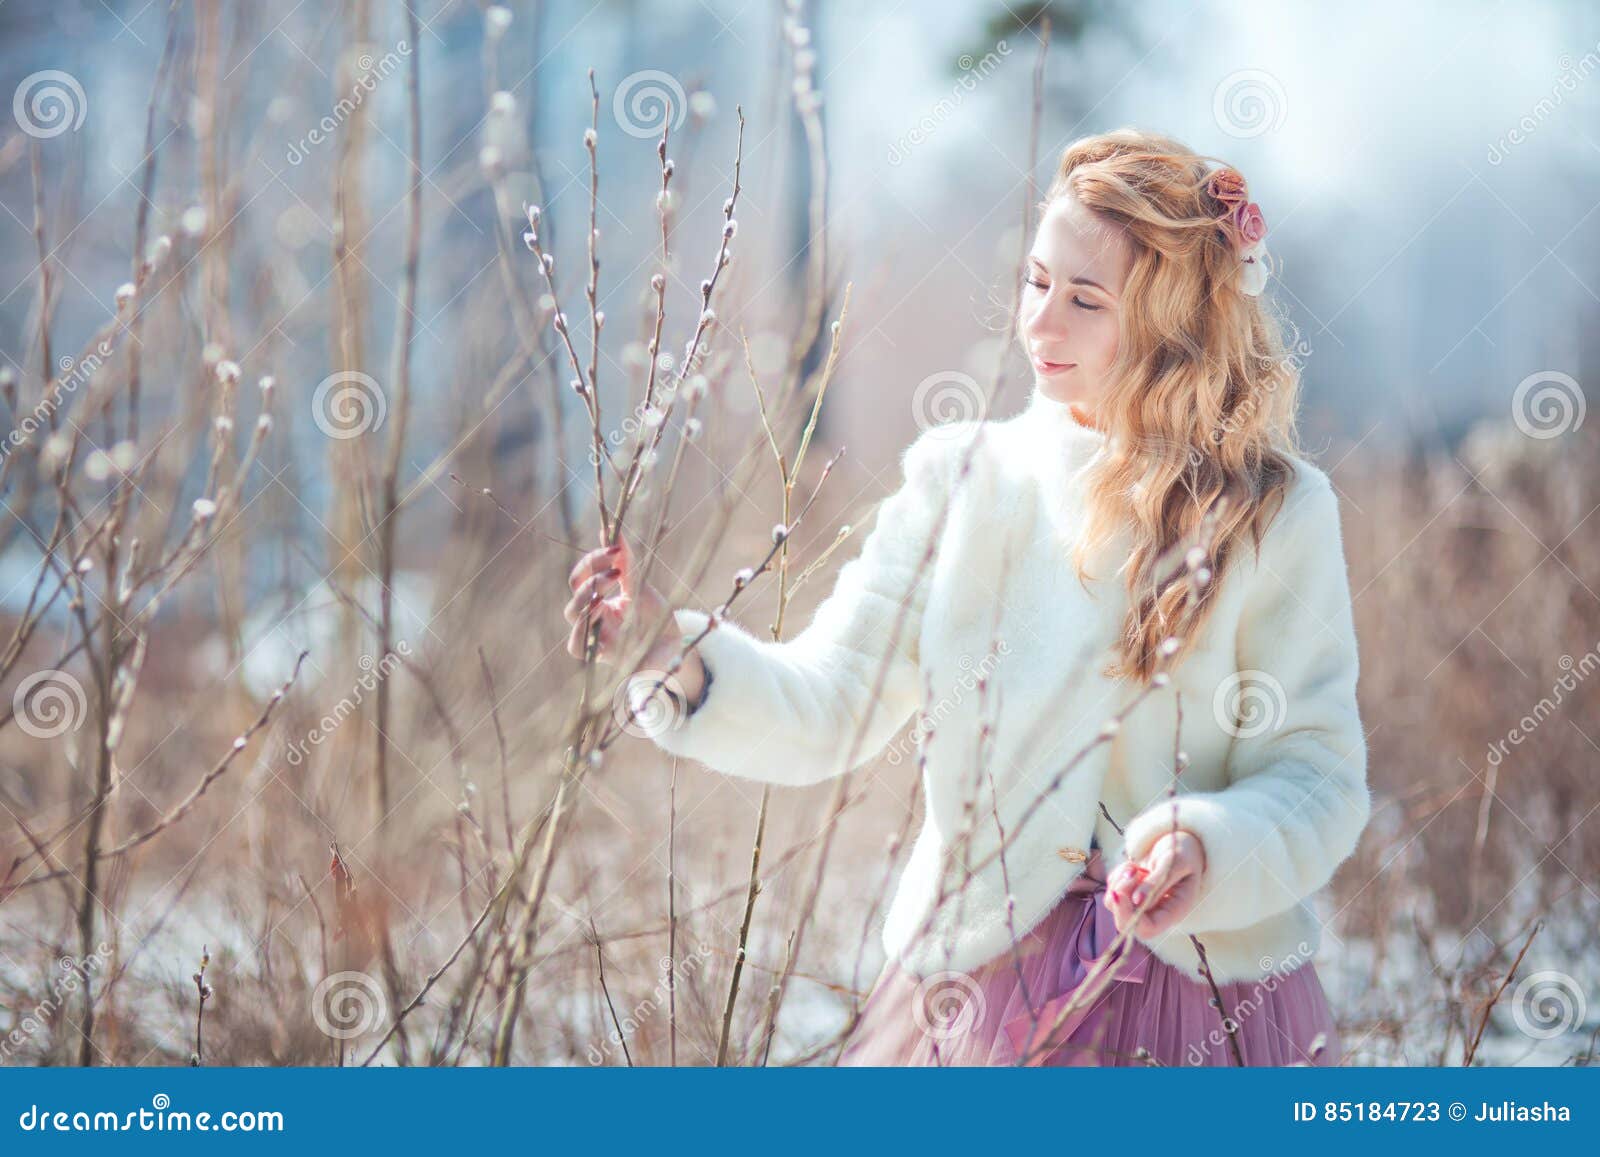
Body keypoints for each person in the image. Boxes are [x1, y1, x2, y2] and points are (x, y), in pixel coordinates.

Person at [564, 128, 1369, 1067]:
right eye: (1036, 282)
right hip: (976, 999)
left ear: (1171, 320)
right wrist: (672, 650)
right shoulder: (960, 482)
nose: (1040, 324)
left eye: (1084, 299)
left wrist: (1209, 845)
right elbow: (832, 700)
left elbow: (1318, 776)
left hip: (1209, 999)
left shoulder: (1273, 511)